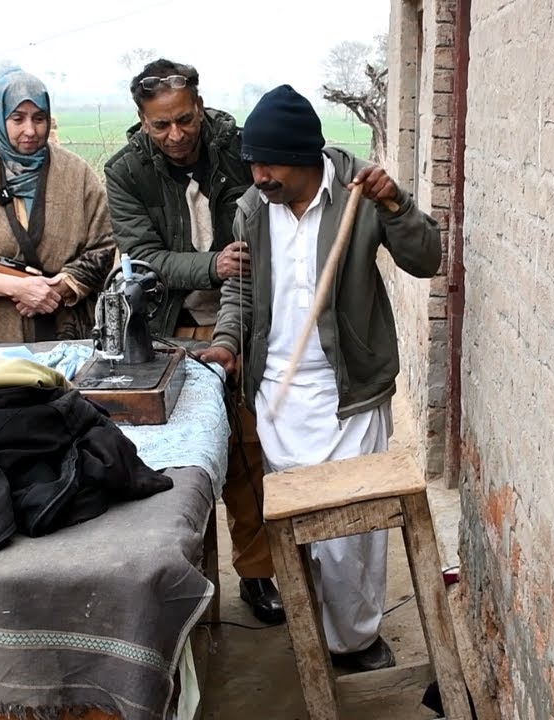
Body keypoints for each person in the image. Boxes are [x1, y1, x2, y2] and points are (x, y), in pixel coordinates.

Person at [199, 85, 442, 672]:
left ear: (307, 157)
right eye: (252, 163)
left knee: (350, 541)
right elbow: (241, 290)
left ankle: (354, 645)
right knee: (303, 533)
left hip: (349, 395)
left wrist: (397, 206)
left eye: (270, 163)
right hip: (277, 396)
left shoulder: (359, 192)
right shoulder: (253, 209)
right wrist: (229, 345)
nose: (259, 175)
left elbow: (427, 258)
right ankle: (321, 633)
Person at [103, 59, 284, 625]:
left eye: (185, 120)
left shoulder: (236, 149)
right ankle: (189, 582)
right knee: (182, 464)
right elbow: (145, 259)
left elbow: (260, 234)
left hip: (249, 319)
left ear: (200, 107)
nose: (176, 136)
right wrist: (212, 265)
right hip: (168, 331)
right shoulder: (126, 171)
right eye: (161, 126)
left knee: (249, 455)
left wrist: (234, 279)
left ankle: (257, 573)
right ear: (143, 122)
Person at [0, 69, 115, 343]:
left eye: (39, 119)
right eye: (18, 119)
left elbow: (104, 246)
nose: (30, 130)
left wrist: (58, 288)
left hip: (68, 332)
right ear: (0, 119)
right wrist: (15, 287)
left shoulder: (78, 175)